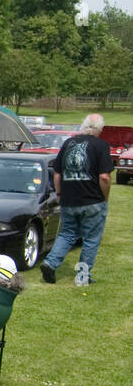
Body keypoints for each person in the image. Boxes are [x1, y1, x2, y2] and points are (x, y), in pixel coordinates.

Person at [40, 113, 112, 286]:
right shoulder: (101, 145)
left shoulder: (68, 143)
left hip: (69, 199)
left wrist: (59, 194)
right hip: (93, 200)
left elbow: (57, 174)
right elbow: (104, 177)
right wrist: (105, 197)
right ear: (99, 129)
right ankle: (83, 276)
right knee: (91, 239)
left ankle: (50, 263)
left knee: (66, 234)